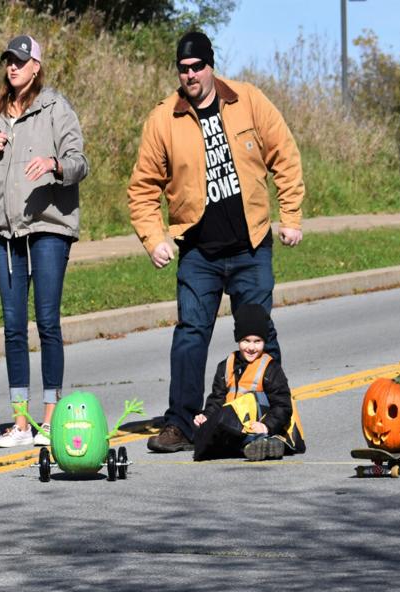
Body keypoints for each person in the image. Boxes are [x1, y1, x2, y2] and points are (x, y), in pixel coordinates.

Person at [127, 30, 306, 453]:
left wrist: (291, 215)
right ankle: (181, 423)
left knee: (259, 337)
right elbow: (143, 186)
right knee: (190, 335)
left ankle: (275, 422)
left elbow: (284, 154)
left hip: (250, 246)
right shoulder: (164, 119)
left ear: (211, 65)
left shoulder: (247, 100)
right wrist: (153, 238)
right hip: (198, 252)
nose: (190, 76)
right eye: (183, 69)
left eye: (197, 67)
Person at [0, 34, 89, 448]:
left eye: (21, 62)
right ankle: (20, 423)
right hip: (7, 232)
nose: (13, 68)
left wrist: (54, 164)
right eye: (9, 61)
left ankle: (50, 419)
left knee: (46, 322)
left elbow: (80, 162)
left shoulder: (55, 108)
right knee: (12, 329)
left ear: (36, 67)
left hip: (47, 227)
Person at [192, 305, 304, 462]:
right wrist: (207, 417)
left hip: (266, 426)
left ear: (264, 341)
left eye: (257, 341)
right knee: (203, 432)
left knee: (249, 406)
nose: (251, 347)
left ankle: (269, 443)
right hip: (236, 426)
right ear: (238, 339)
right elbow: (216, 400)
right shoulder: (225, 366)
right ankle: (252, 445)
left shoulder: (270, 368)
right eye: (246, 341)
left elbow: (283, 406)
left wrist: (266, 426)